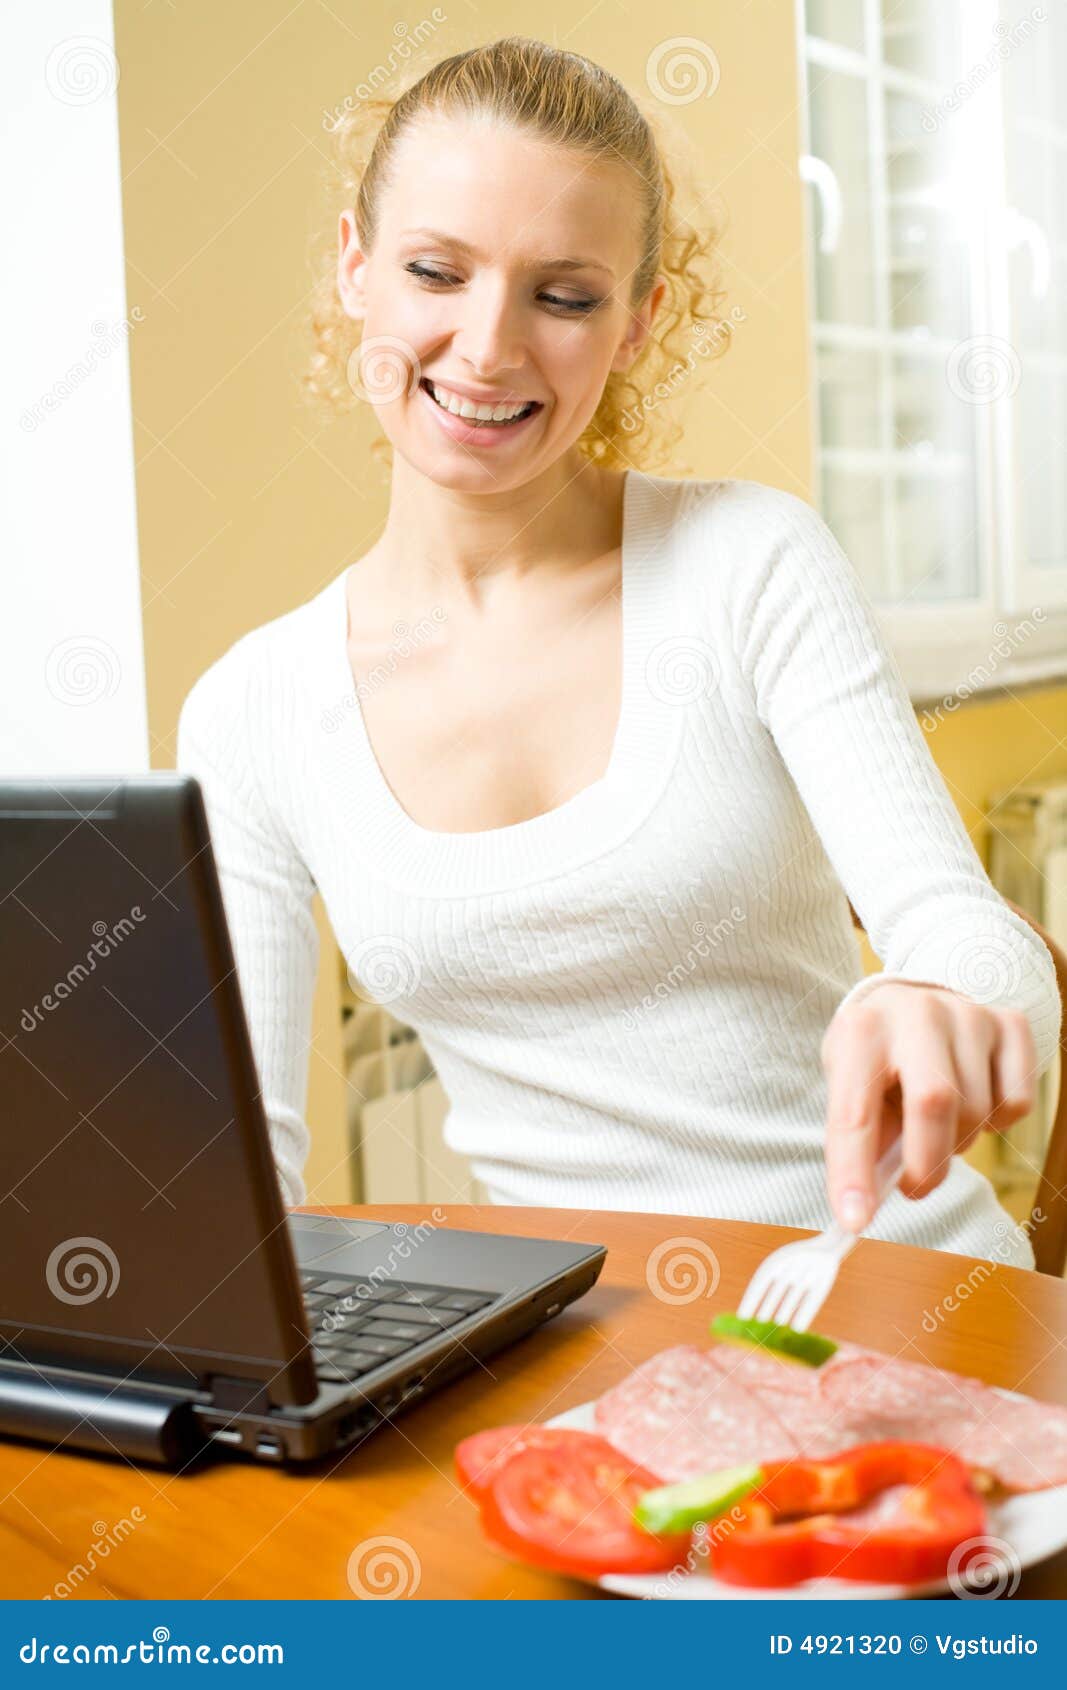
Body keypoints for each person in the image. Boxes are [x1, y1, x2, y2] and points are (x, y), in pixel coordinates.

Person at [176, 37, 1059, 1268]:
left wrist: (942, 997)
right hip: (573, 1343)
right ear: (355, 266)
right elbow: (238, 1191)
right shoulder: (253, 711)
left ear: (638, 323)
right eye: (436, 271)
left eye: (564, 296)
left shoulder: (747, 564)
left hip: (885, 1289)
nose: (488, 347)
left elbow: (971, 936)